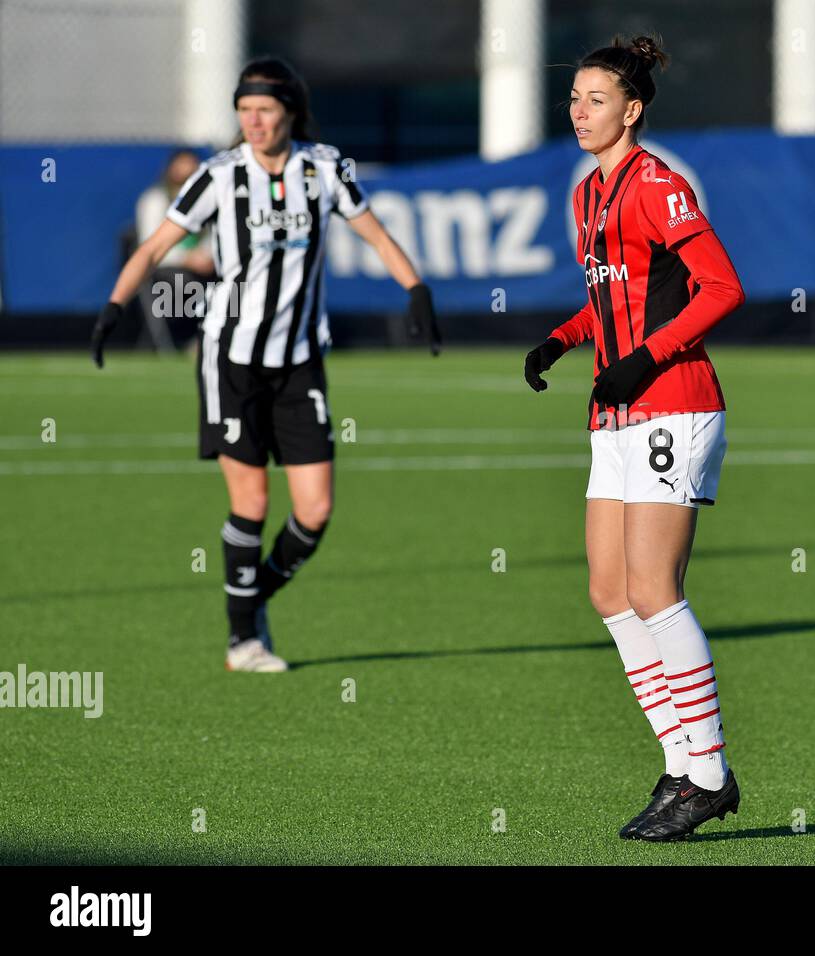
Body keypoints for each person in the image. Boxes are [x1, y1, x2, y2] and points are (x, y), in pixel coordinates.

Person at [91, 57, 441, 672]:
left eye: (265, 111)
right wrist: (116, 306)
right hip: (230, 360)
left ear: (290, 114)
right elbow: (155, 247)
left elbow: (378, 236)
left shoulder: (325, 167)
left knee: (315, 511)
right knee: (250, 502)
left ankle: (250, 602)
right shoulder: (218, 176)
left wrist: (417, 293)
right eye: (244, 112)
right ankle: (242, 640)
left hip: (301, 360)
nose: (252, 122)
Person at [524, 35, 745, 841]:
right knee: (610, 593)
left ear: (633, 109)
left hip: (674, 403)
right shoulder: (589, 193)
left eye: (596, 99)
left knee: (655, 590)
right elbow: (616, 299)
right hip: (613, 411)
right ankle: (682, 765)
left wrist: (645, 359)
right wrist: (561, 338)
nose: (579, 111)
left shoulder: (660, 186)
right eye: (575, 98)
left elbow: (722, 289)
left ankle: (709, 773)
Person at [134, 148, 216, 351]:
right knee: (185, 285)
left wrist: (206, 257)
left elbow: (214, 237)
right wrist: (186, 258)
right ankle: (191, 336)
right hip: (167, 269)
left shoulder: (208, 199)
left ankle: (212, 337)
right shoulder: (155, 200)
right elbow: (151, 247)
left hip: (203, 267)